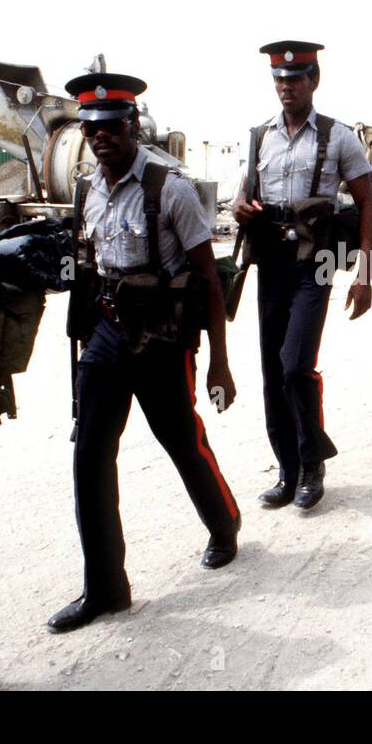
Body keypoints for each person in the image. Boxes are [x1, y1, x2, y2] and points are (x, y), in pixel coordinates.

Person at [50, 72, 241, 634]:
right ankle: (105, 587)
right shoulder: (87, 190)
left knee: (181, 439)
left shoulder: (170, 189)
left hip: (160, 337)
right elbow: (91, 267)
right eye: (92, 128)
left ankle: (224, 524)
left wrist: (220, 362)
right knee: (89, 456)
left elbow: (208, 278)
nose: (101, 137)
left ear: (133, 126)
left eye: (112, 126)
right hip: (108, 335)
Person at [232, 41, 372, 509]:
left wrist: (366, 270)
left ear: (313, 81)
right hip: (270, 261)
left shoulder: (339, 137)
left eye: (295, 79)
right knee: (272, 369)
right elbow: (241, 197)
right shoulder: (259, 136)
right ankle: (288, 469)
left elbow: (367, 203)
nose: (286, 87)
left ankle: (312, 462)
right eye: (279, 79)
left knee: (296, 366)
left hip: (314, 262)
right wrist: (239, 208)